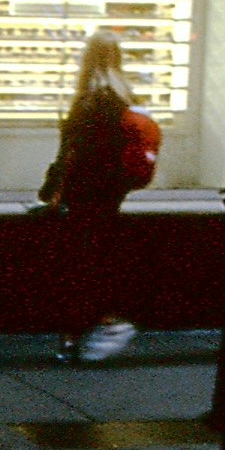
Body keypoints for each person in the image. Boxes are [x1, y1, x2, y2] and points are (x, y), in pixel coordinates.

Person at [37, 30, 147, 364]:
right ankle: (87, 330)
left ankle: (93, 327)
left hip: (85, 192)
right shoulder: (123, 93)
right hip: (111, 191)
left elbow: (73, 151)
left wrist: (53, 187)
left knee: (79, 264)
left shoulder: (90, 98)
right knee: (94, 259)